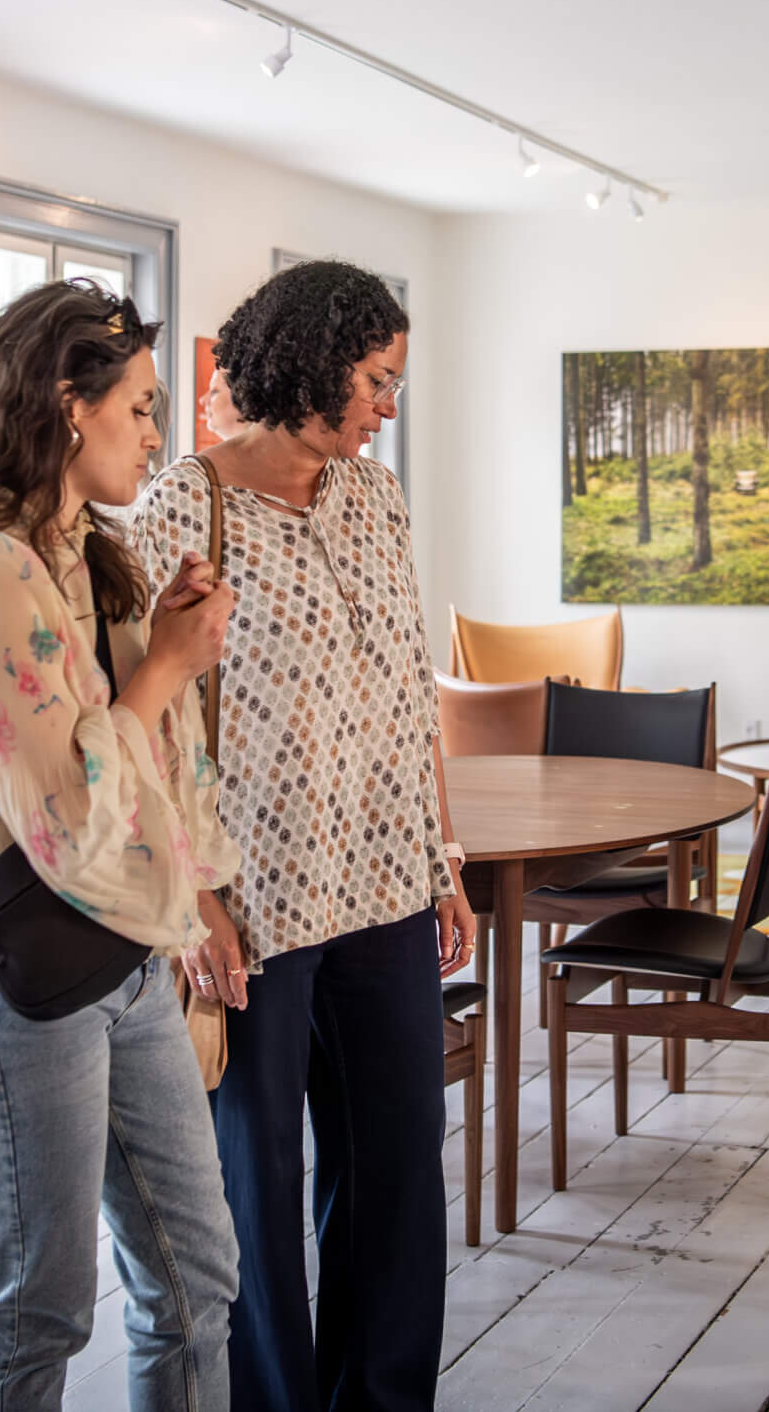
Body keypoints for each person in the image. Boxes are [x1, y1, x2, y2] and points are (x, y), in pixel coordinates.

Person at [0, 279, 243, 1412]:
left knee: (198, 1280)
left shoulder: (89, 555)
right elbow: (69, 819)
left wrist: (202, 903)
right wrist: (168, 665)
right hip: (11, 983)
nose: (153, 433)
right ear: (63, 404)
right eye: (136, 406)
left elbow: (153, 772)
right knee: (38, 1310)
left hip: (123, 960)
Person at [135, 259, 475, 1412]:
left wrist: (443, 858)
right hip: (256, 906)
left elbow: (407, 692)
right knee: (256, 1196)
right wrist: (192, 898)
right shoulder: (185, 510)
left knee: (396, 1178)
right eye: (377, 380)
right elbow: (155, 725)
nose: (387, 407)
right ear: (317, 363)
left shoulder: (375, 498)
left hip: (385, 887)